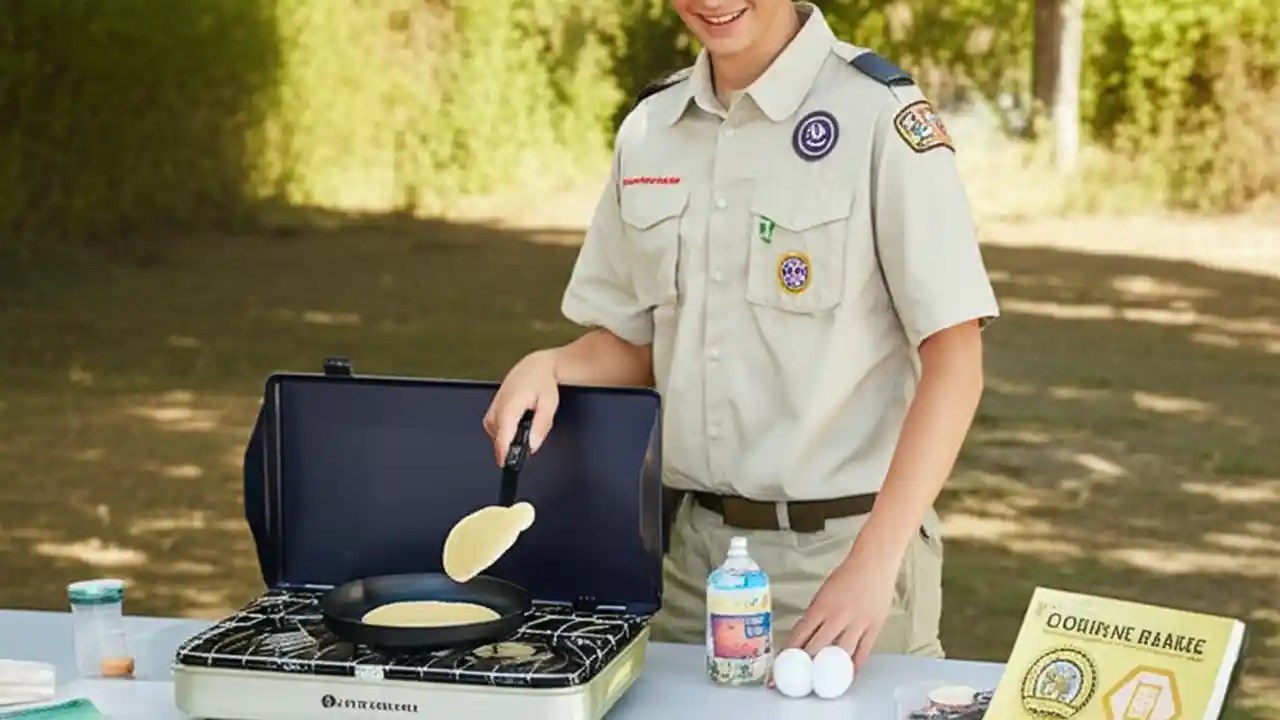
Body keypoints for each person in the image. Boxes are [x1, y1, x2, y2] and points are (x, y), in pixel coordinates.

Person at [482, 0, 999, 667]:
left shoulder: (880, 116)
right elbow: (636, 344)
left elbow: (956, 359)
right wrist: (551, 365)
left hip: (844, 565)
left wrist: (873, 565)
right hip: (690, 568)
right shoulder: (651, 130)